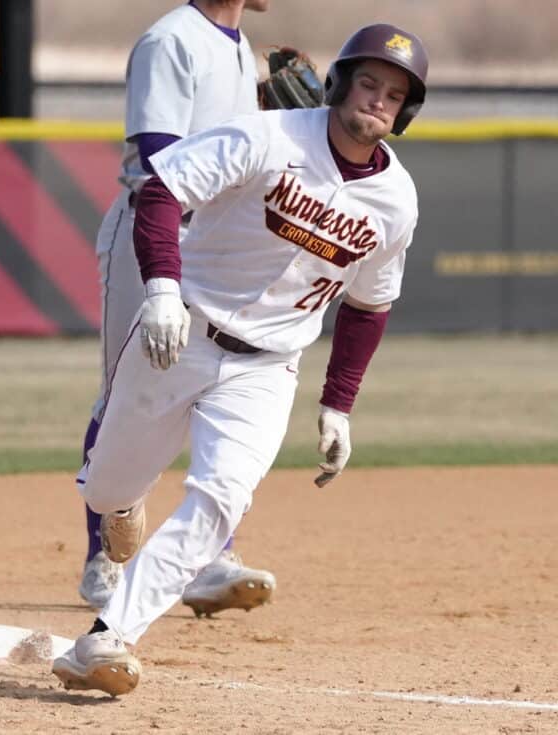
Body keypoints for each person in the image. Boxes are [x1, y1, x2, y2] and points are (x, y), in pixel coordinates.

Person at [55, 22, 429, 696]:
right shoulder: (269, 136)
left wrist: (338, 404)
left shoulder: (396, 201)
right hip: (180, 334)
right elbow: (162, 190)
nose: (378, 99)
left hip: (268, 366)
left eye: (394, 94)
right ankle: (121, 503)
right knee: (107, 488)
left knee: (222, 499)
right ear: (340, 84)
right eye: (369, 82)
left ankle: (108, 638)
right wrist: (161, 290)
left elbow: (370, 305)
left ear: (404, 113)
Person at [79, 0, 278, 615]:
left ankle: (209, 558)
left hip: (216, 246)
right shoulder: (172, 41)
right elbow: (158, 161)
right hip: (153, 233)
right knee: (124, 394)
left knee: (220, 388)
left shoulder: (241, 48)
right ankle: (105, 559)